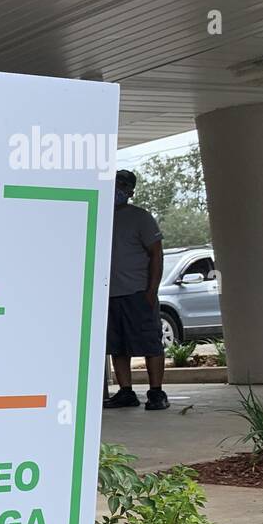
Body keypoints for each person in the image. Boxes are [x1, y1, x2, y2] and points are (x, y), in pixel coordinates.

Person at [104, 169, 168, 410]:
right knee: (117, 346)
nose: (117, 190)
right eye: (114, 184)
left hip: (138, 293)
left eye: (122, 186)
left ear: (130, 191)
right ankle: (126, 392)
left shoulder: (141, 217)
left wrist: (151, 290)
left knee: (150, 342)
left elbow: (156, 254)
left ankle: (156, 393)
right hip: (109, 294)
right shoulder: (100, 216)